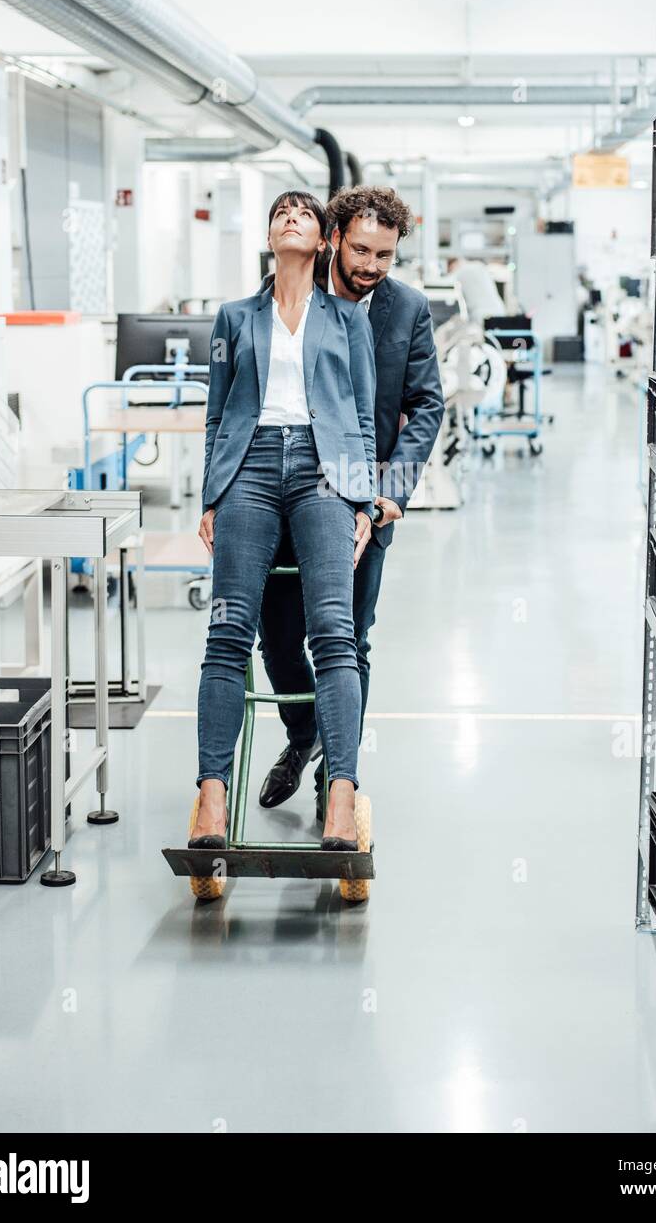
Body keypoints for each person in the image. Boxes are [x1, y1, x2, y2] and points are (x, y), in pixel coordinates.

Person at [191, 190, 377, 851]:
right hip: (250, 467)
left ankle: (340, 795)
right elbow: (217, 415)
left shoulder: (347, 318)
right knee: (227, 631)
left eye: (303, 213)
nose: (290, 218)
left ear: (323, 239)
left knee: (333, 632)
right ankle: (212, 797)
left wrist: (363, 499)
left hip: (324, 473)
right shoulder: (233, 318)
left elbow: (361, 416)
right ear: (269, 236)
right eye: (280, 213)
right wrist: (211, 494)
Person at [256, 185, 445, 820]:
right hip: (282, 496)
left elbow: (427, 406)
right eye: (361, 250)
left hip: (363, 505)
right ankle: (303, 733)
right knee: (278, 638)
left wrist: (390, 494)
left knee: (347, 642)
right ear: (335, 238)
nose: (370, 265)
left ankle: (336, 775)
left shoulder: (406, 310)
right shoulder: (286, 293)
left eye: (384, 255)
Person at [447, 254, 506, 324]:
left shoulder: (460, 271)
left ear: (452, 265)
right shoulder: (479, 265)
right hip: (499, 310)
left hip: (481, 315)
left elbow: (443, 282)